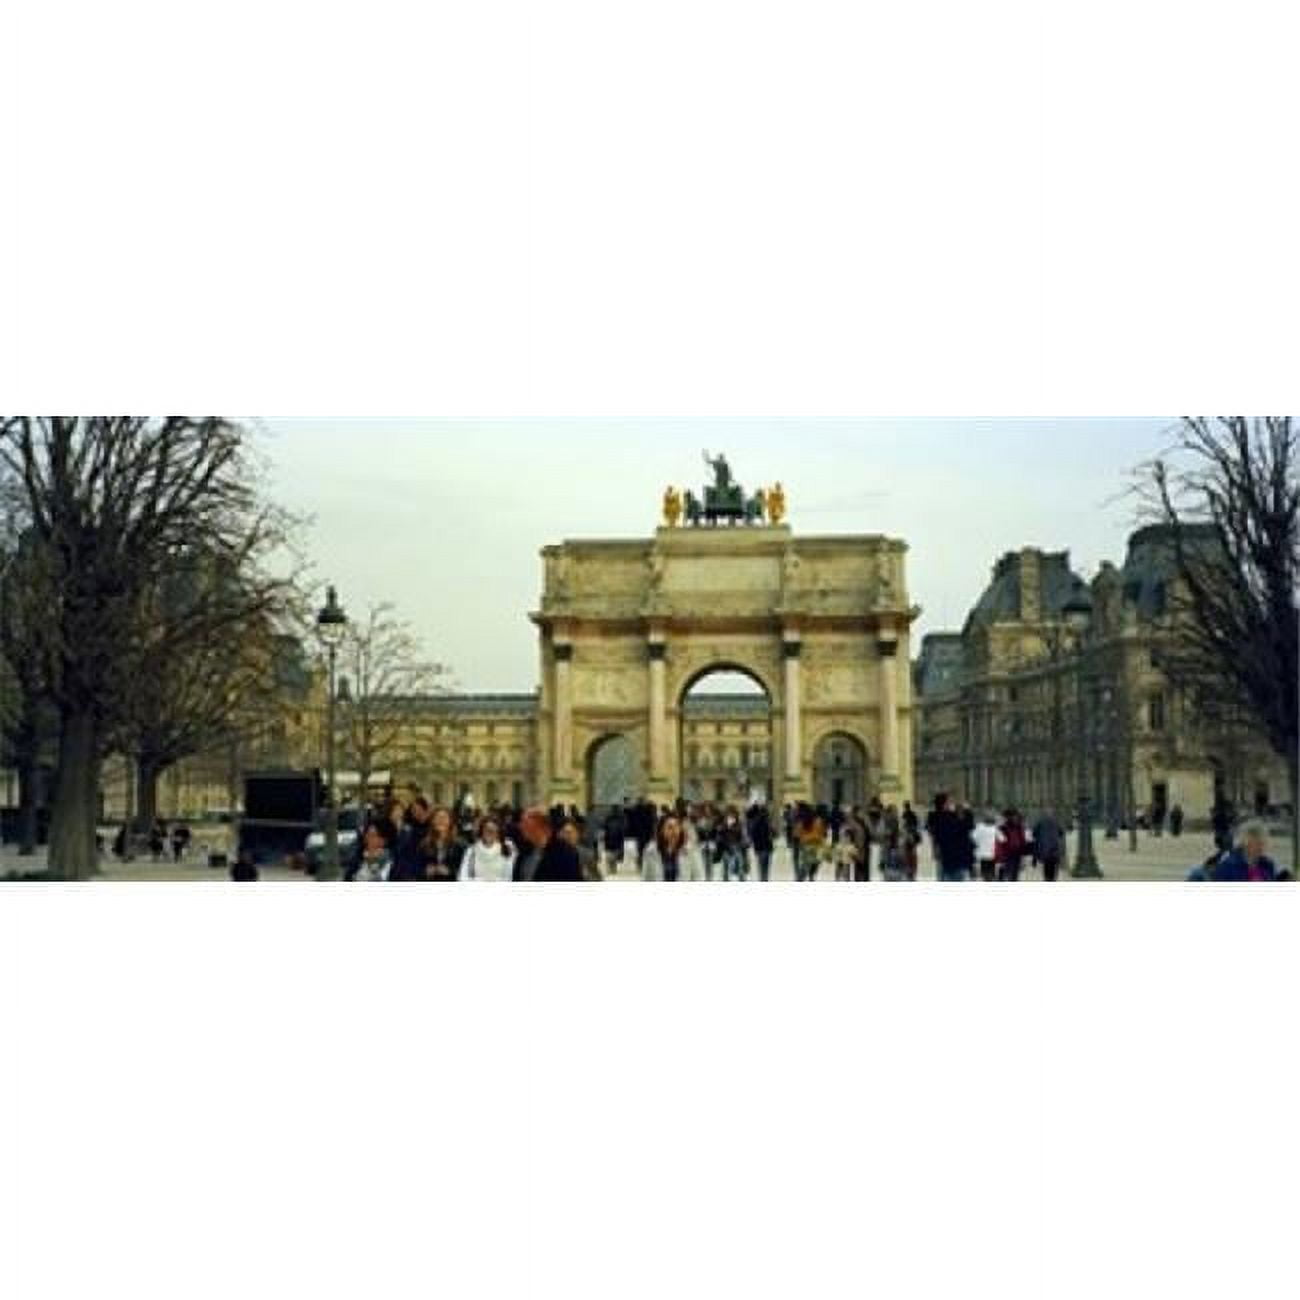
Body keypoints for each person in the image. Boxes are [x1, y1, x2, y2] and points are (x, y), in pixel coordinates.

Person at [514, 807, 582, 882]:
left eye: (526, 825)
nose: (521, 828)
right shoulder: (524, 851)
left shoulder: (565, 853)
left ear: (542, 827)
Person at [1210, 821, 1280, 882]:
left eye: (1263, 843)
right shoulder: (1227, 867)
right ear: (1245, 843)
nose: (1261, 847)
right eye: (1258, 843)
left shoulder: (1268, 865)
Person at [642, 813, 700, 882]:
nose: (674, 831)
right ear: (661, 831)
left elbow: (698, 876)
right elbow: (646, 877)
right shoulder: (650, 851)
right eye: (670, 827)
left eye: (677, 826)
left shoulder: (691, 850)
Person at [459, 814, 516, 882]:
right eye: (487, 830)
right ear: (482, 831)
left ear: (498, 832)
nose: (489, 833)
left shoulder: (507, 847)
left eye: (493, 831)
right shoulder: (472, 850)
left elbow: (509, 876)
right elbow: (463, 875)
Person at [419, 805, 466, 881]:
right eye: (437, 817)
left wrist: (450, 871)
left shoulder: (461, 845)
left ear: (450, 821)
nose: (441, 820)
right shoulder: (424, 844)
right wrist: (425, 870)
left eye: (444, 817)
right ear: (432, 821)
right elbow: (416, 868)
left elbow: (467, 871)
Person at [560, 815, 602, 881]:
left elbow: (596, 878)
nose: (566, 836)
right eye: (563, 833)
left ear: (578, 834)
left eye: (569, 833)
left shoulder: (586, 854)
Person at [1032, 810, 1065, 883]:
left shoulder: (1040, 822)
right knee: (1053, 871)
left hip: (1045, 851)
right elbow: (1061, 833)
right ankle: (1051, 880)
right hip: (1054, 851)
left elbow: (1034, 834)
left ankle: (1048, 879)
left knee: (1047, 870)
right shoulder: (1056, 822)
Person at [747, 803, 775, 882]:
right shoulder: (767, 821)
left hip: (759, 847)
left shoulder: (755, 821)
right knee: (766, 866)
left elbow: (752, 834)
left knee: (761, 865)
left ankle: (763, 880)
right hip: (767, 846)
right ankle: (765, 880)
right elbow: (773, 833)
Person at [603, 803, 628, 875]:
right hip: (616, 838)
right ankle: (613, 867)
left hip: (610, 838)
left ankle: (611, 867)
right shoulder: (621, 818)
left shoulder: (608, 818)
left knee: (611, 853)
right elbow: (624, 827)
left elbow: (604, 826)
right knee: (614, 853)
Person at [973, 811, 998, 882]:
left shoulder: (979, 827)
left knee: (984, 874)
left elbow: (973, 837)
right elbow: (1002, 839)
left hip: (982, 855)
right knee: (990, 875)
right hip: (991, 854)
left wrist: (978, 843)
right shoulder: (994, 828)